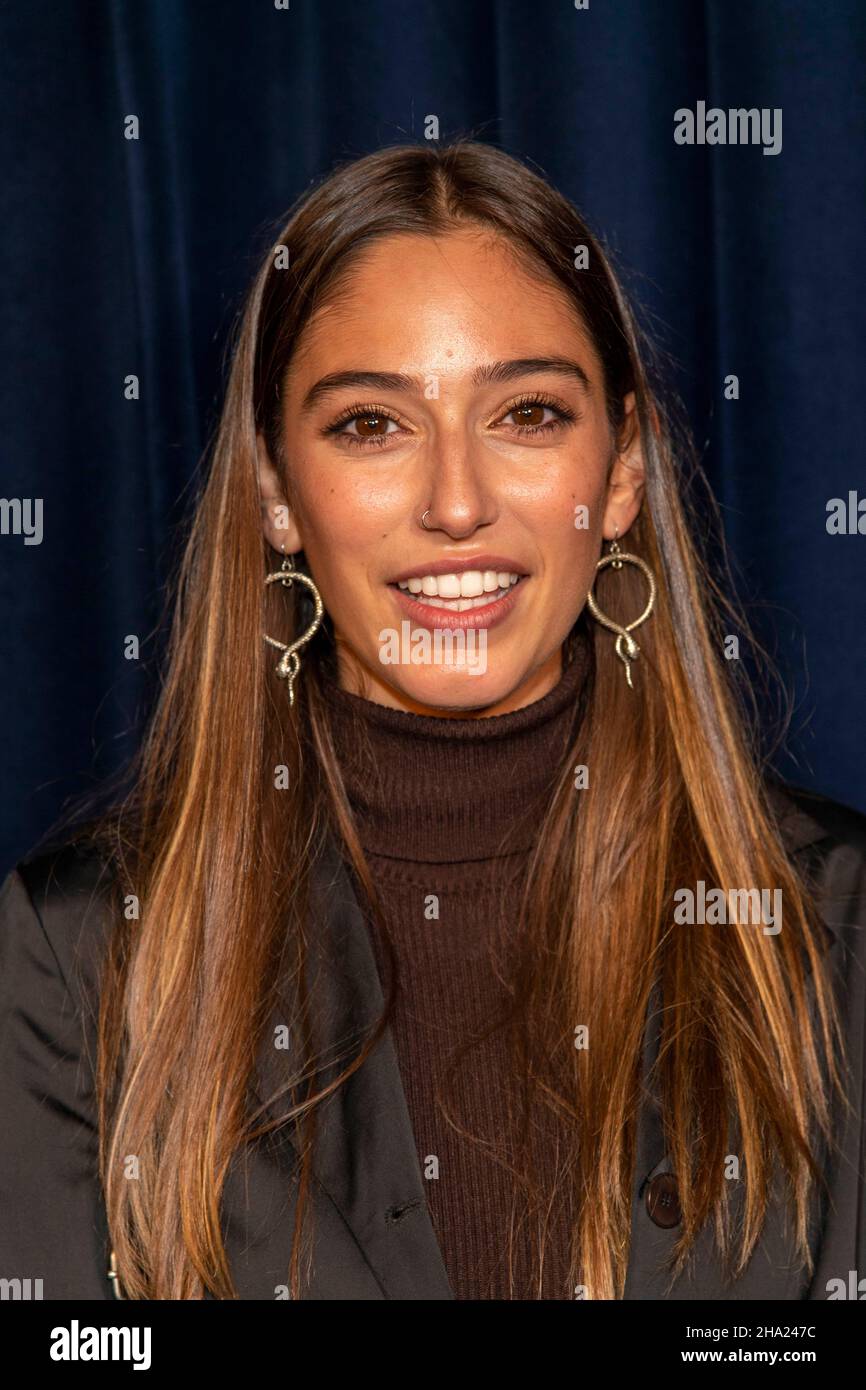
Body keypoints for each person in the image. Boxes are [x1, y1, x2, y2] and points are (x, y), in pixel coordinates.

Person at [1, 140, 864, 1302]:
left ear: (618, 474)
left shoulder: (830, 933)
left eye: (525, 413)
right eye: (371, 424)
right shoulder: (80, 956)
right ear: (273, 489)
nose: (456, 501)